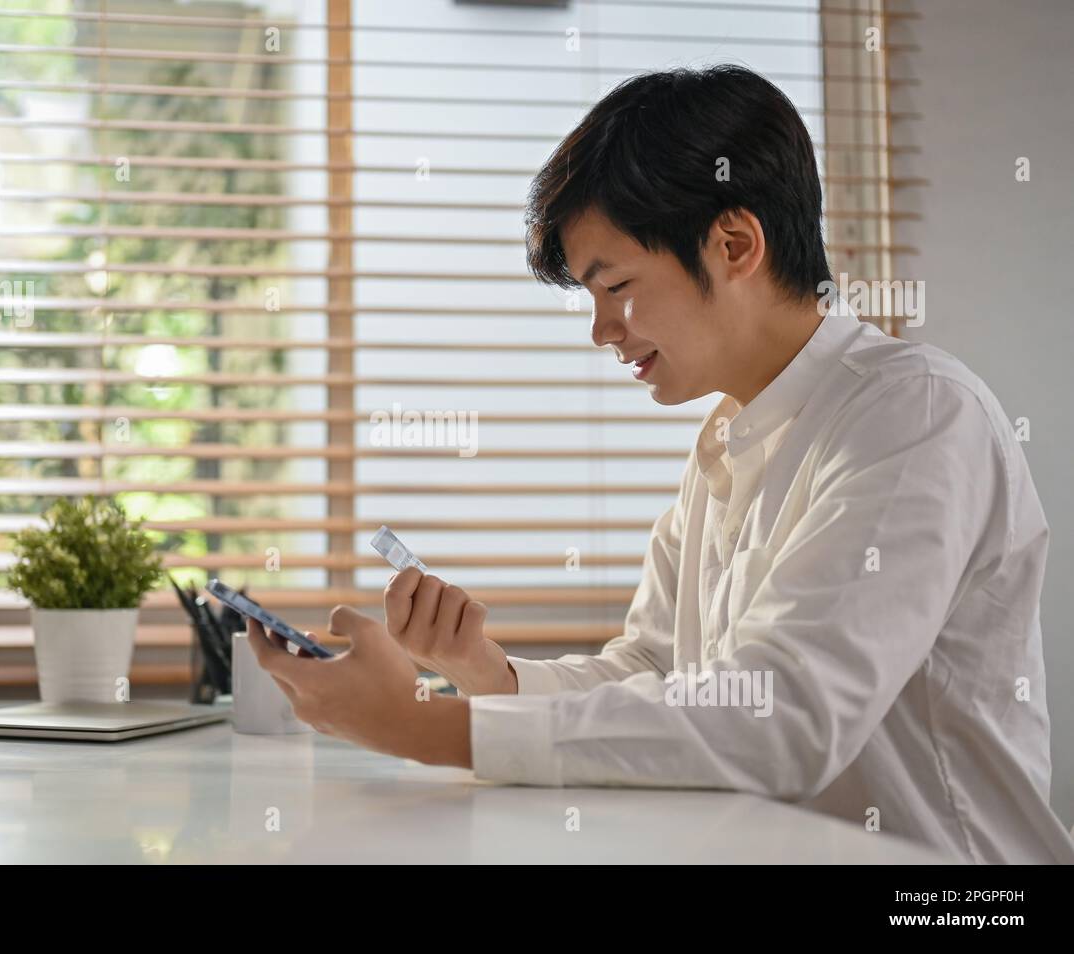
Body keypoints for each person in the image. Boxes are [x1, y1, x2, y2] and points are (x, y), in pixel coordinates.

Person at [246, 65, 1074, 864]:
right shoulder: (728, 441)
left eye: (617, 287)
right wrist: (482, 672)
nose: (602, 332)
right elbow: (654, 674)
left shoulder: (916, 414)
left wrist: (415, 727)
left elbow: (782, 720)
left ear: (735, 243)